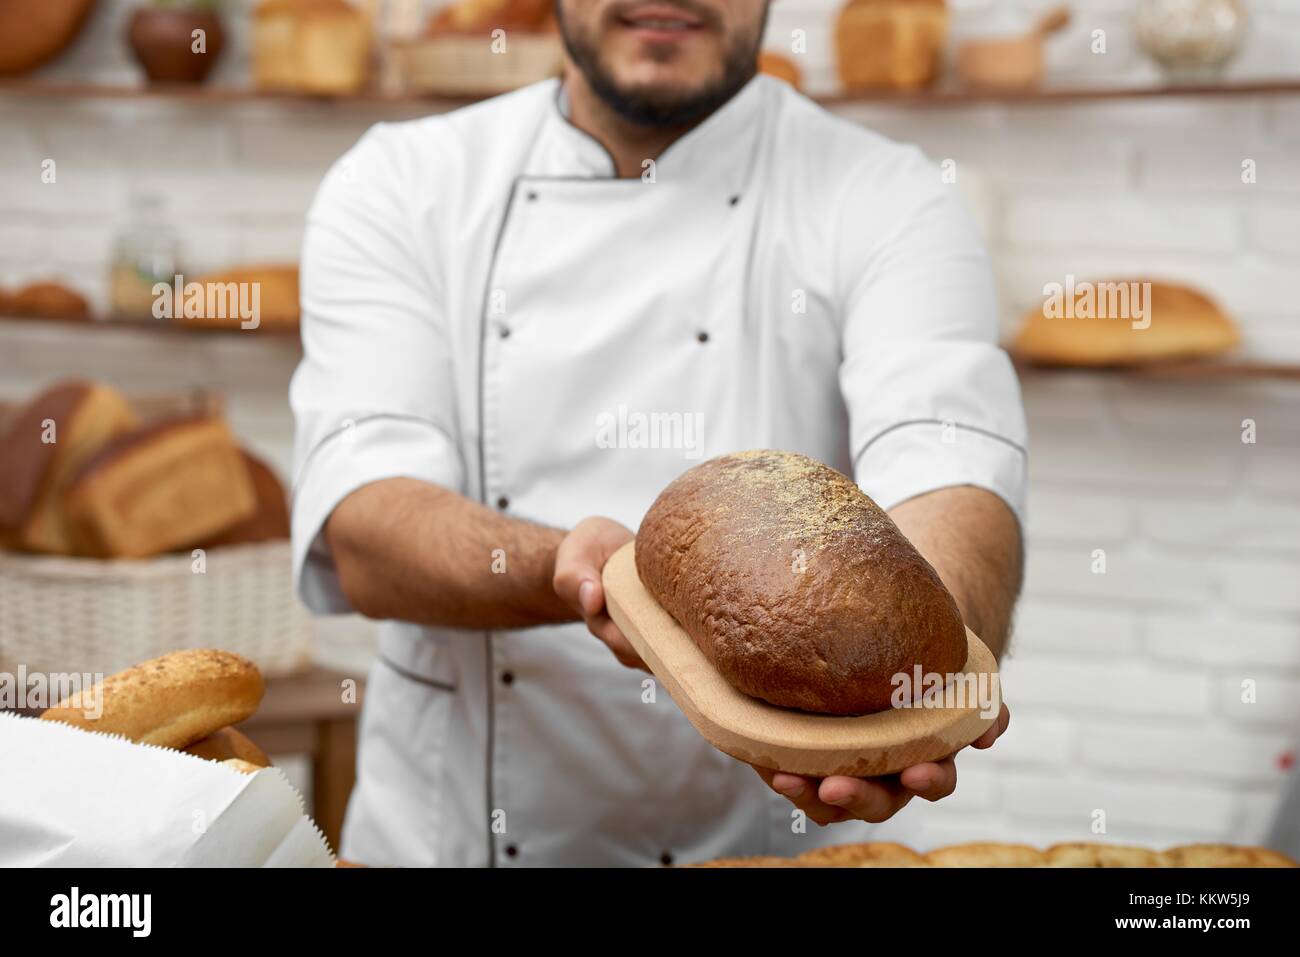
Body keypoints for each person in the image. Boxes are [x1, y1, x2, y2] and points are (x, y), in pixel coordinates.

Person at [290, 0, 1026, 867]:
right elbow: (366, 525)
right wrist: (587, 570)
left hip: (769, 840)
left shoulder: (889, 195)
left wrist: (920, 672)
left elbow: (949, 459)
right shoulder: (402, 181)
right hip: (449, 839)